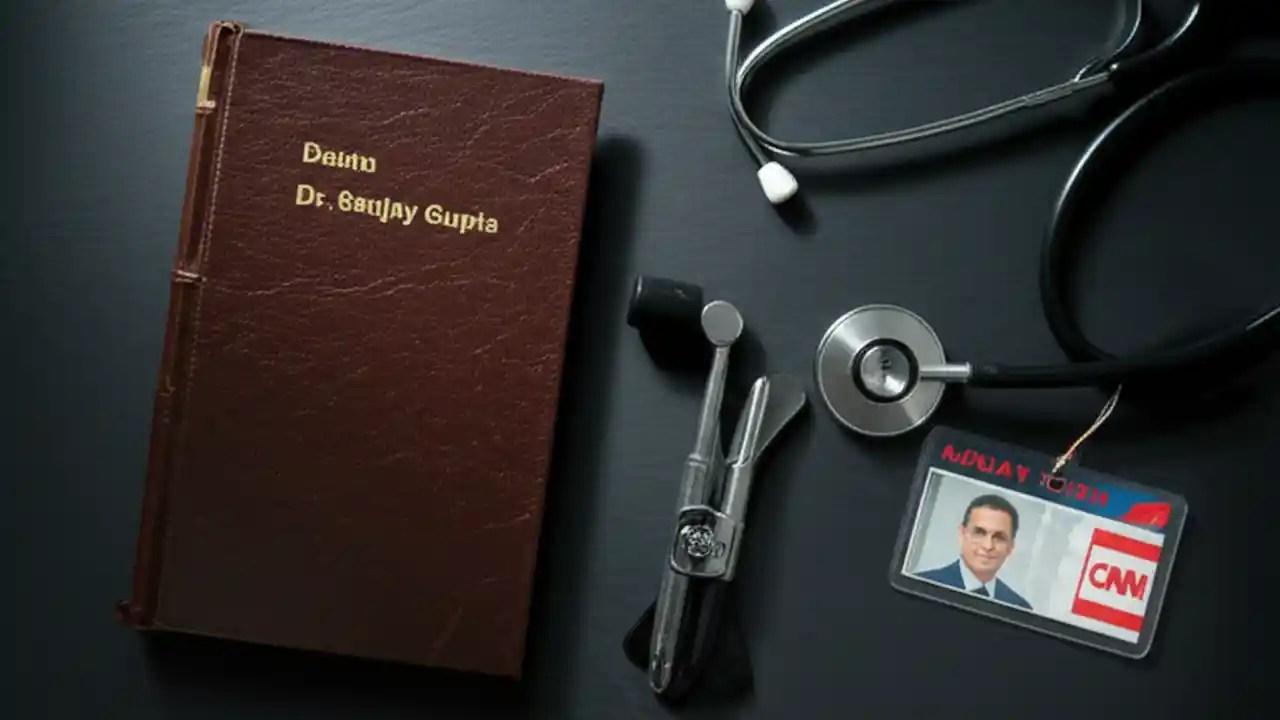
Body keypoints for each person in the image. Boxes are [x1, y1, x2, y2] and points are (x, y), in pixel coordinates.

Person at [916, 493, 1032, 610]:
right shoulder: (923, 585)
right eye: (979, 533)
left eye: (999, 537)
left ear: (1011, 546)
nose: (988, 546)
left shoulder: (1019, 607)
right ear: (962, 534)